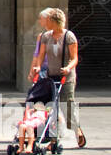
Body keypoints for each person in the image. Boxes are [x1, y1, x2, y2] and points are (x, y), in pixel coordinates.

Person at [30, 8, 86, 147]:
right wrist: (37, 67)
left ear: (55, 22)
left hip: (66, 78)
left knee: (67, 107)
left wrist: (68, 68)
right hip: (51, 75)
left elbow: (74, 58)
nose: (44, 23)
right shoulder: (46, 36)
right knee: (51, 108)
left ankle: (76, 129)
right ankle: (54, 139)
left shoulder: (69, 36)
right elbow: (41, 55)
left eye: (47, 20)